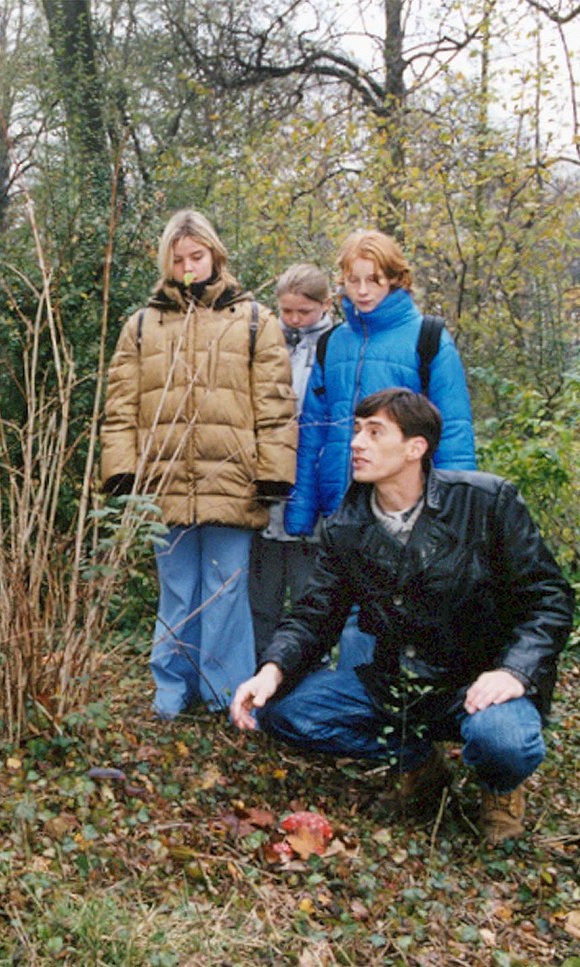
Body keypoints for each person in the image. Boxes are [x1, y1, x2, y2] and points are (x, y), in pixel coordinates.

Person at [232, 390, 572, 843]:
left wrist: (514, 670)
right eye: (356, 430)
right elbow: (315, 615)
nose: (357, 443)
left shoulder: (486, 502)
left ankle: (501, 788)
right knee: (285, 713)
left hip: (479, 680)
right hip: (394, 682)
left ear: (416, 448)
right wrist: (271, 671)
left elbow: (549, 597)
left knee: (504, 742)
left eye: (375, 433)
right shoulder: (345, 525)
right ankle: (418, 763)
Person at [100, 209, 297, 720]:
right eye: (178, 258)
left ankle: (223, 694)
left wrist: (275, 472)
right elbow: (120, 406)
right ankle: (170, 691)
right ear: (166, 261)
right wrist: (122, 472)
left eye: (197, 256)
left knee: (226, 590)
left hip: (231, 479)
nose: (188, 267)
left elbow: (275, 406)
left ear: (214, 255)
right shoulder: (142, 325)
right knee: (177, 590)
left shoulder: (254, 321)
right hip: (164, 482)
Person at [284, 230, 476, 669]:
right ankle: (348, 706)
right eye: (354, 280)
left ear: (395, 280)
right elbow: (314, 431)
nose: (363, 290)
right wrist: (301, 508)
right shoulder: (334, 342)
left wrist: (455, 513)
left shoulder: (427, 339)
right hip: (342, 502)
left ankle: (399, 709)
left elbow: (456, 430)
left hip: (405, 504)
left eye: (374, 279)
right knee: (341, 608)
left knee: (396, 612)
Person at [248, 264, 336, 656]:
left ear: (326, 304)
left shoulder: (338, 344)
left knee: (307, 598)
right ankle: (254, 680)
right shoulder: (265, 342)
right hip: (267, 488)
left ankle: (303, 680)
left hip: (313, 488)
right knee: (259, 598)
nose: (295, 319)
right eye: (287, 311)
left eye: (304, 312)